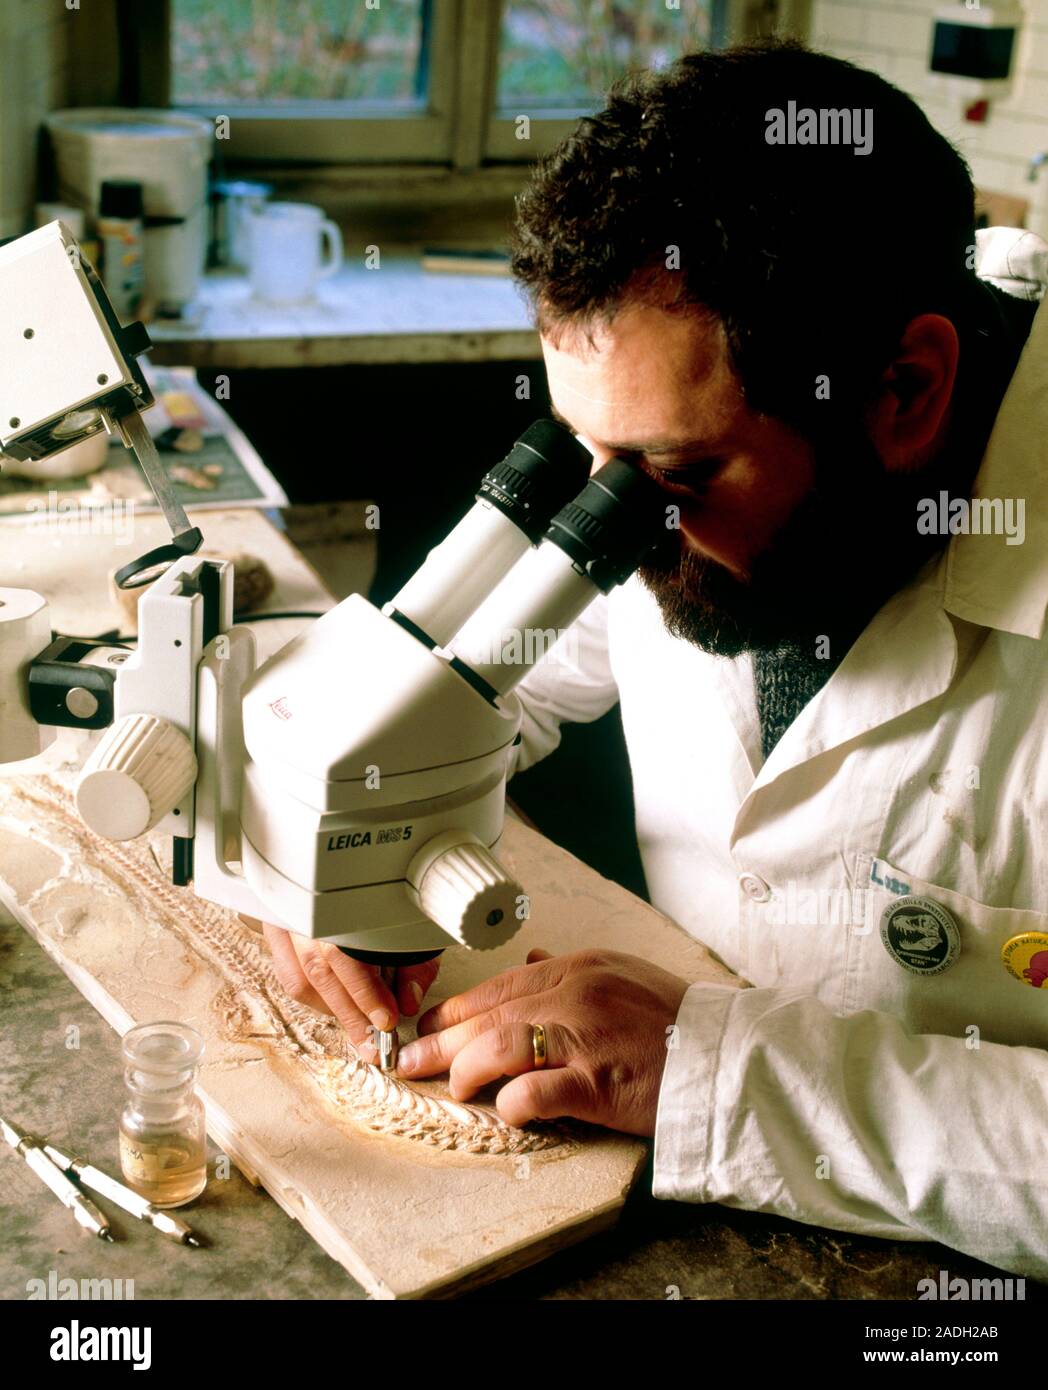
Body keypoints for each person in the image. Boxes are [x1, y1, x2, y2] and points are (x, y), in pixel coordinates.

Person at [263, 40, 1048, 1279]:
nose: (617, 540)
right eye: (586, 461)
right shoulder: (681, 472)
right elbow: (490, 680)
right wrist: (340, 834)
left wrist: (716, 1071)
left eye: (670, 480)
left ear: (902, 390)